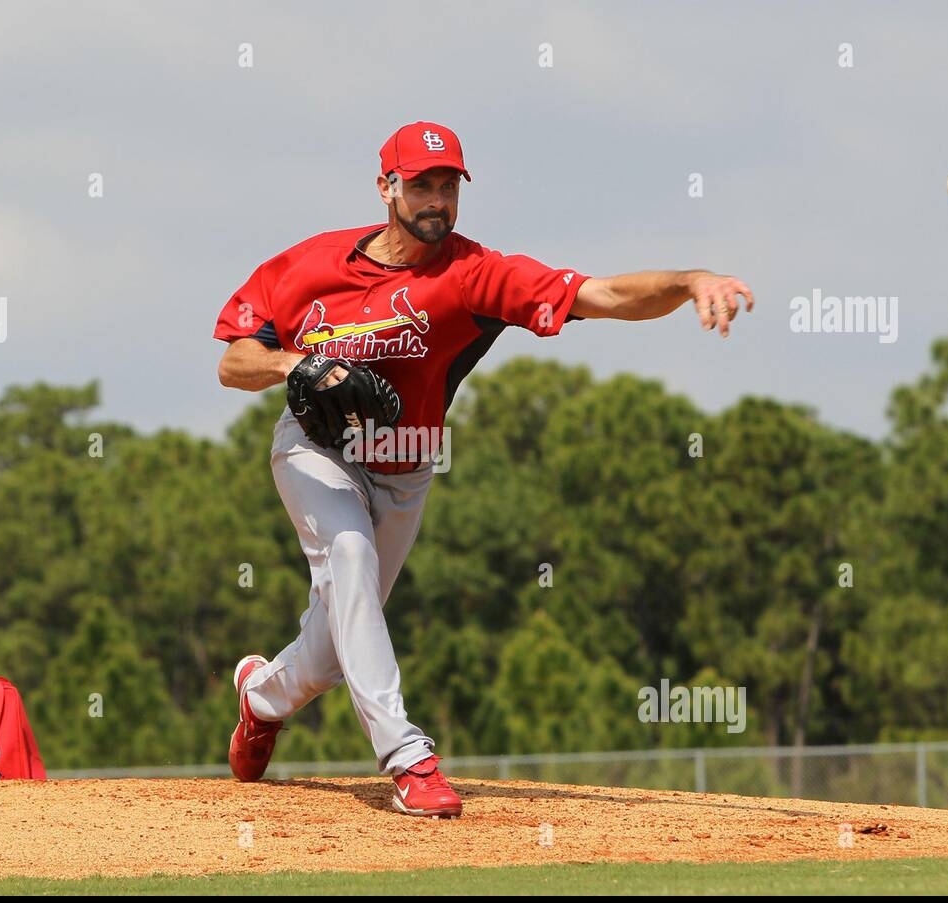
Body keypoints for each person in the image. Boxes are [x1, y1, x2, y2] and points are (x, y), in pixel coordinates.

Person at [213, 121, 753, 817]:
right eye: (421, 184)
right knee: (346, 554)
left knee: (331, 647)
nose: (437, 199)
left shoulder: (472, 274)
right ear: (386, 187)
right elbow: (233, 363)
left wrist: (688, 281)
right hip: (314, 451)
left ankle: (261, 697)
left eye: (449, 185)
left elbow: (599, 294)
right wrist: (299, 364)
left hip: (406, 467)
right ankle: (409, 758)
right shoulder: (309, 266)